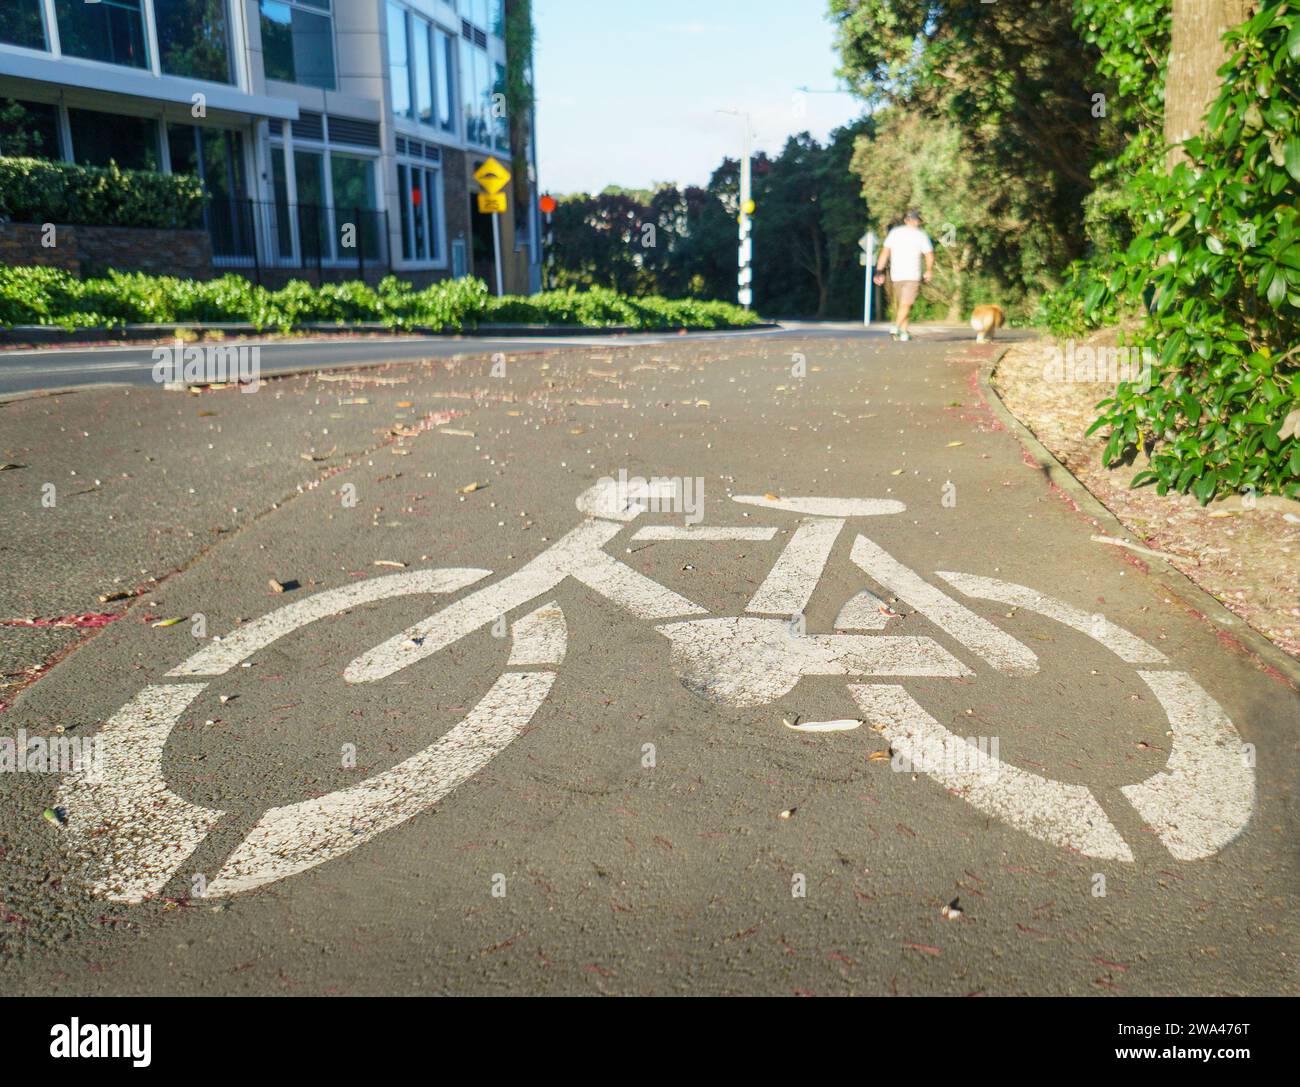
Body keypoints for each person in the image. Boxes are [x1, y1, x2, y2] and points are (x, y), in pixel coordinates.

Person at [873, 210, 934, 342]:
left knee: (906, 304)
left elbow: (929, 254)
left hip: (906, 275)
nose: (915, 222)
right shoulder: (906, 234)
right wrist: (879, 271)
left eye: (916, 220)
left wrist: (928, 270)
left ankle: (900, 330)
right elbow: (885, 252)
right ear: (907, 220)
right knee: (904, 305)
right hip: (903, 275)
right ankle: (899, 329)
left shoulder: (913, 235)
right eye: (913, 219)